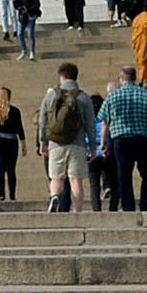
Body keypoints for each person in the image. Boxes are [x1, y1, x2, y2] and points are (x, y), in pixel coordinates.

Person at [102, 66, 147, 212]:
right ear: (135, 78)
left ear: (121, 79)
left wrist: (103, 142)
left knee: (124, 175)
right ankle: (146, 205)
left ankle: (128, 206)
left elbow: (104, 121)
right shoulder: (146, 94)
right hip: (143, 138)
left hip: (121, 140)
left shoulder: (112, 96)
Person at [38, 62, 89, 212]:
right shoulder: (83, 97)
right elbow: (90, 124)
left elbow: (43, 121)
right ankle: (77, 211)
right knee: (75, 180)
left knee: (56, 178)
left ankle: (54, 195)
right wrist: (92, 144)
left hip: (56, 143)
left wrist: (43, 142)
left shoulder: (51, 95)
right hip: (78, 143)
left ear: (61, 76)